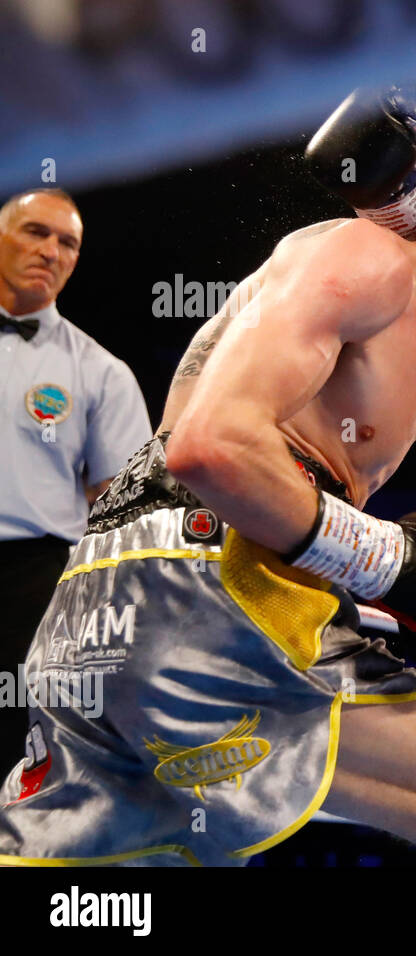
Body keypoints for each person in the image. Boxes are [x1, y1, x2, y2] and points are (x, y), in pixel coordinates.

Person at [0, 93, 416, 867]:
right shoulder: (364, 260)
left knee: (103, 887)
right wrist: (388, 562)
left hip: (101, 602)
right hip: (209, 575)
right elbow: (211, 446)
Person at [0, 188, 151, 766]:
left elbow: (123, 512)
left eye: (68, 243)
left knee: (18, 749)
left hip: (32, 585)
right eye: (36, 232)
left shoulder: (101, 372)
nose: (51, 251)